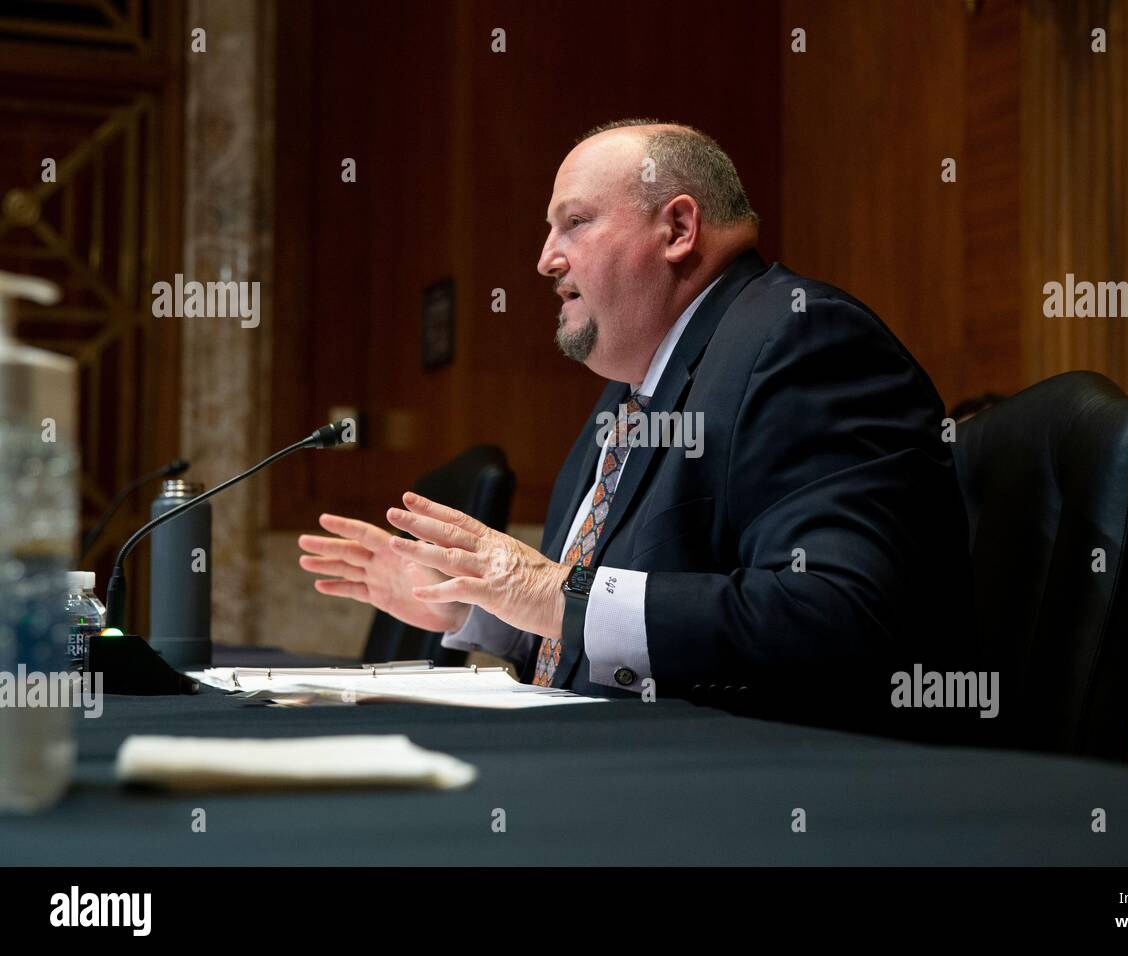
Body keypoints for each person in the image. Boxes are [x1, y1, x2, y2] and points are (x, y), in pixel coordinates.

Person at [298, 119, 981, 737]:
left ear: (679, 230)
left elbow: (839, 614)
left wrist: (553, 593)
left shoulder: (801, 339)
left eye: (575, 222)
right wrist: (478, 608)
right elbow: (610, 631)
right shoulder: (629, 395)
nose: (545, 258)